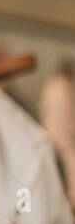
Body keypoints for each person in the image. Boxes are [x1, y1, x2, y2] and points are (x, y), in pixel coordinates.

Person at [39, 57, 75, 210]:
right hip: (61, 138)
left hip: (48, 134)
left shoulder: (51, 85)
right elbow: (68, 117)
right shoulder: (61, 88)